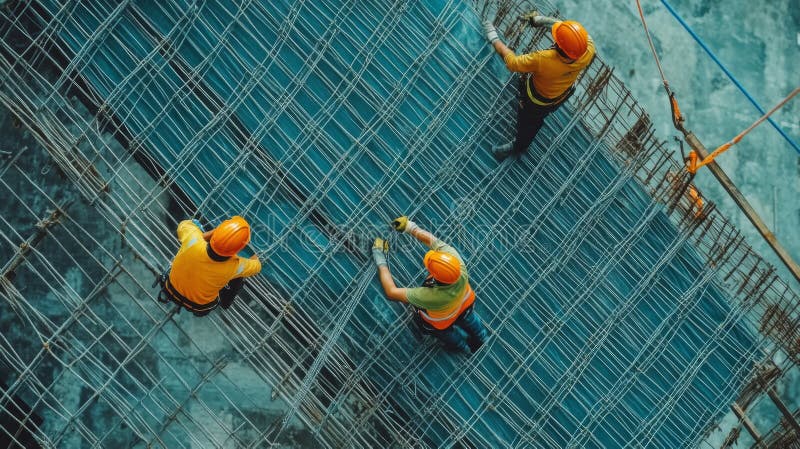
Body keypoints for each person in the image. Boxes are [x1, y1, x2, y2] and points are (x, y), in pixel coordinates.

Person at [483, 12, 596, 159]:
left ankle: (519, 146)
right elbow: (566, 33)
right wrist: (540, 20)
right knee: (539, 106)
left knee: (528, 122)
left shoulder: (544, 59)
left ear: (559, 45)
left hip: (537, 101)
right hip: (561, 93)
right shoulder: (587, 49)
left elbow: (513, 63)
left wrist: (494, 37)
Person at [372, 216, 488, 353]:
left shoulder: (431, 296)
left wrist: (379, 257)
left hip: (443, 321)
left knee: (449, 335)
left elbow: (391, 292)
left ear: (437, 279)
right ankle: (482, 338)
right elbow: (433, 240)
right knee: (471, 320)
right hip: (466, 304)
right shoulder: (457, 262)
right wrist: (410, 227)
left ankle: (463, 348)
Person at [155, 216, 261, 316]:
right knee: (239, 275)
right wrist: (246, 250)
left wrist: (214, 233)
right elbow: (257, 266)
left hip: (170, 288)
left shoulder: (193, 240)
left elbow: (184, 224)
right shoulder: (235, 266)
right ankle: (225, 302)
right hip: (199, 307)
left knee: (195, 225)